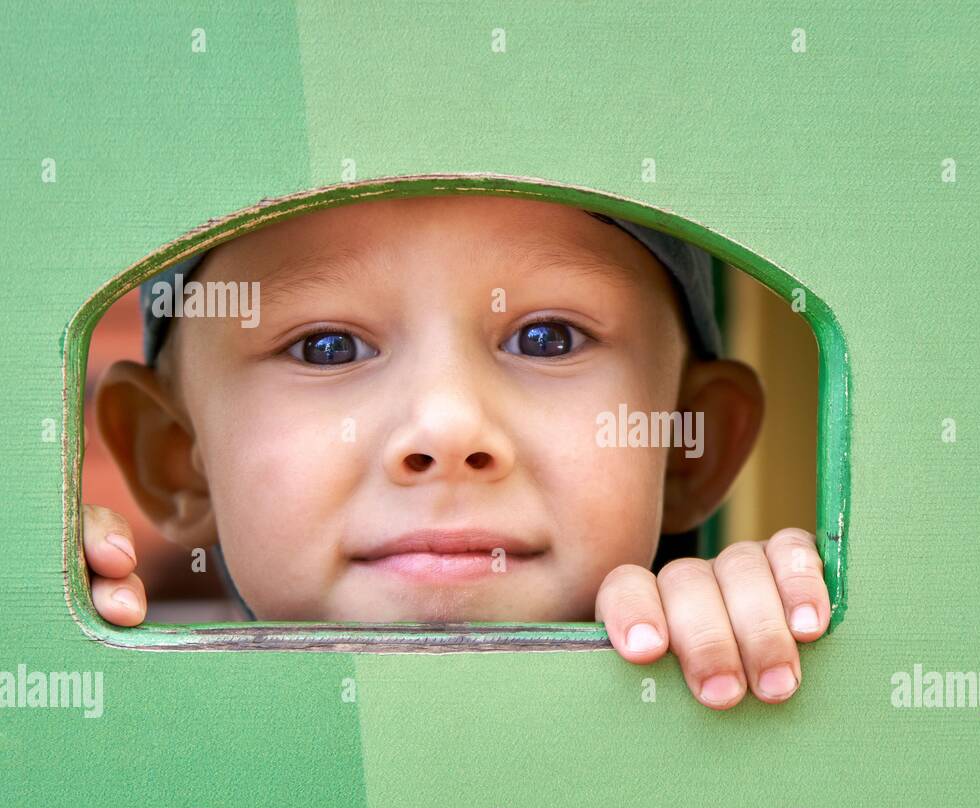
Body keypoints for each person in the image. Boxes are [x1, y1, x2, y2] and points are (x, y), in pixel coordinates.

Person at [82, 193, 829, 709]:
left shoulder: (725, 691)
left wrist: (750, 651)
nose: (447, 428)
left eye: (548, 339)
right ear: (175, 456)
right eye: (327, 348)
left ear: (684, 445)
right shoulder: (121, 770)